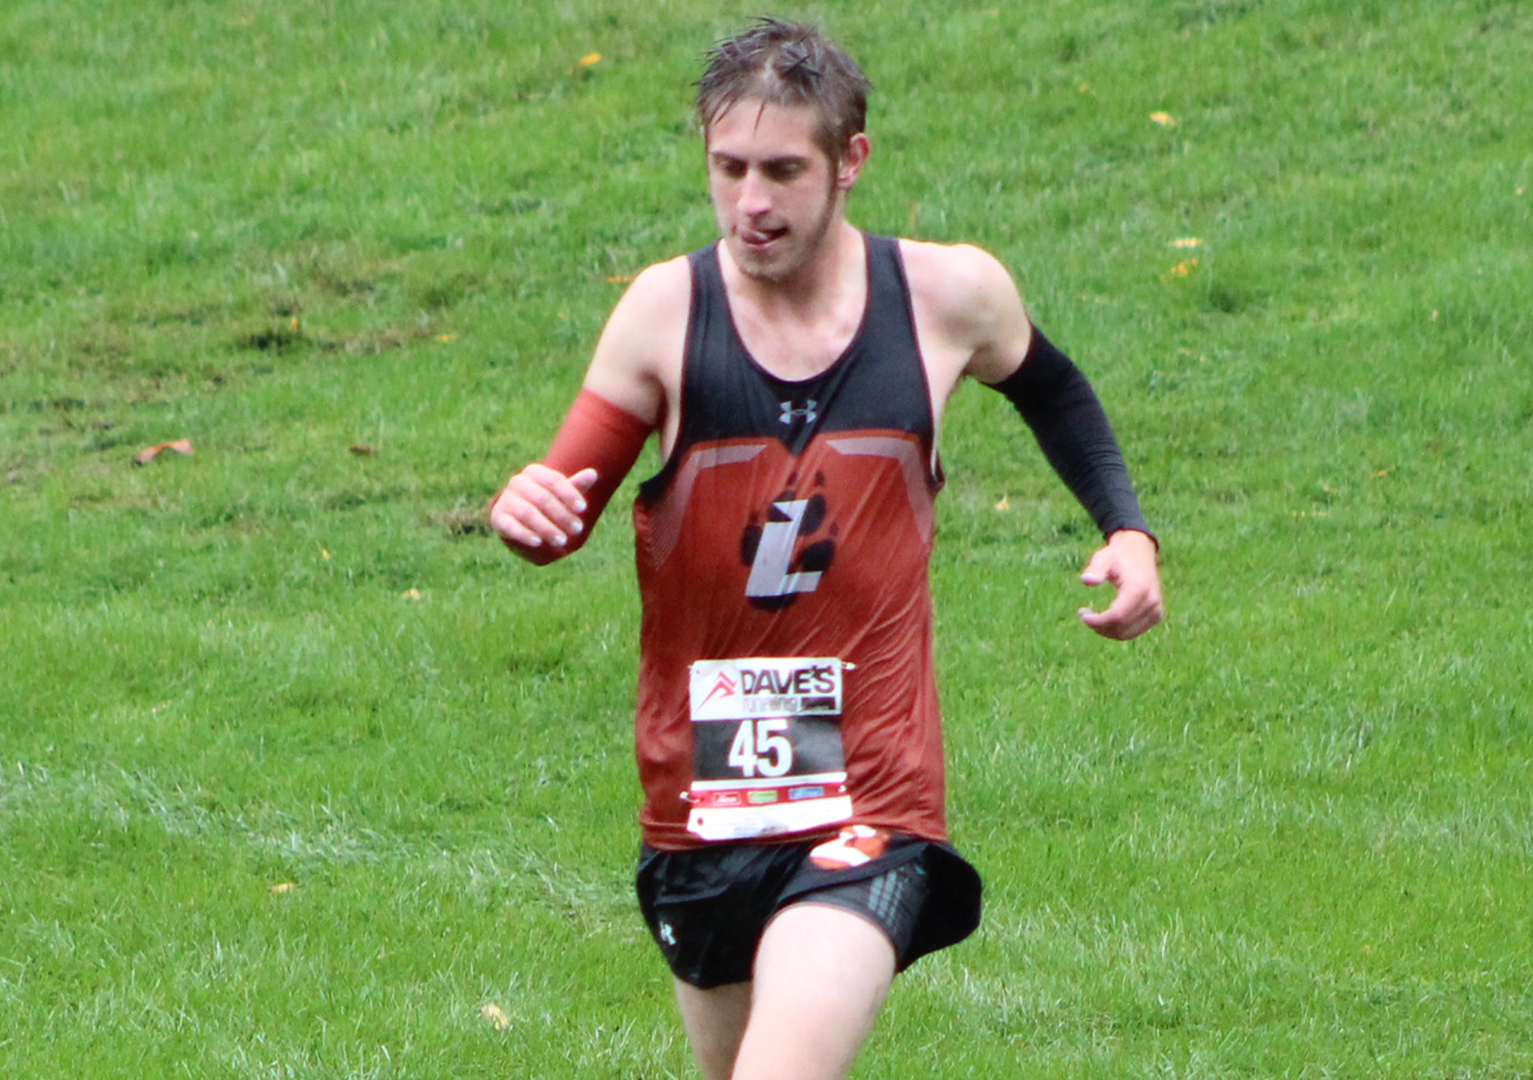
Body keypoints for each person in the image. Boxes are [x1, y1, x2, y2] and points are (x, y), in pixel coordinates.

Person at [488, 18, 1163, 1080]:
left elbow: (1052, 387)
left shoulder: (945, 298)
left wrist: (1126, 528)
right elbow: (563, 509)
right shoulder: (666, 313)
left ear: (851, 161)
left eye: (783, 170)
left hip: (872, 800)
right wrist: (524, 512)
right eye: (728, 167)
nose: (751, 201)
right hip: (702, 803)